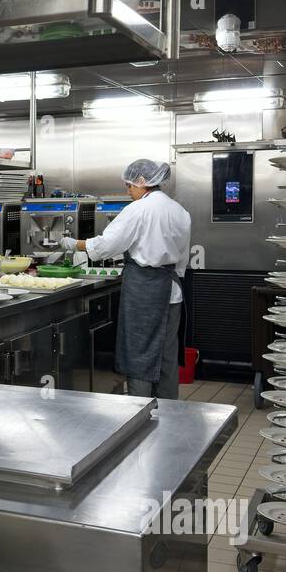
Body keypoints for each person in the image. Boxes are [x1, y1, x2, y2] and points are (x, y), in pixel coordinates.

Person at [63, 160, 191, 400]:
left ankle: (140, 413)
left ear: (142, 183)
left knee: (139, 353)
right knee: (166, 356)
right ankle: (170, 412)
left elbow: (106, 246)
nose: (127, 192)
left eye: (129, 186)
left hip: (145, 292)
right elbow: (182, 259)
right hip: (172, 291)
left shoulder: (138, 210)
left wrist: (75, 244)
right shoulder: (179, 211)